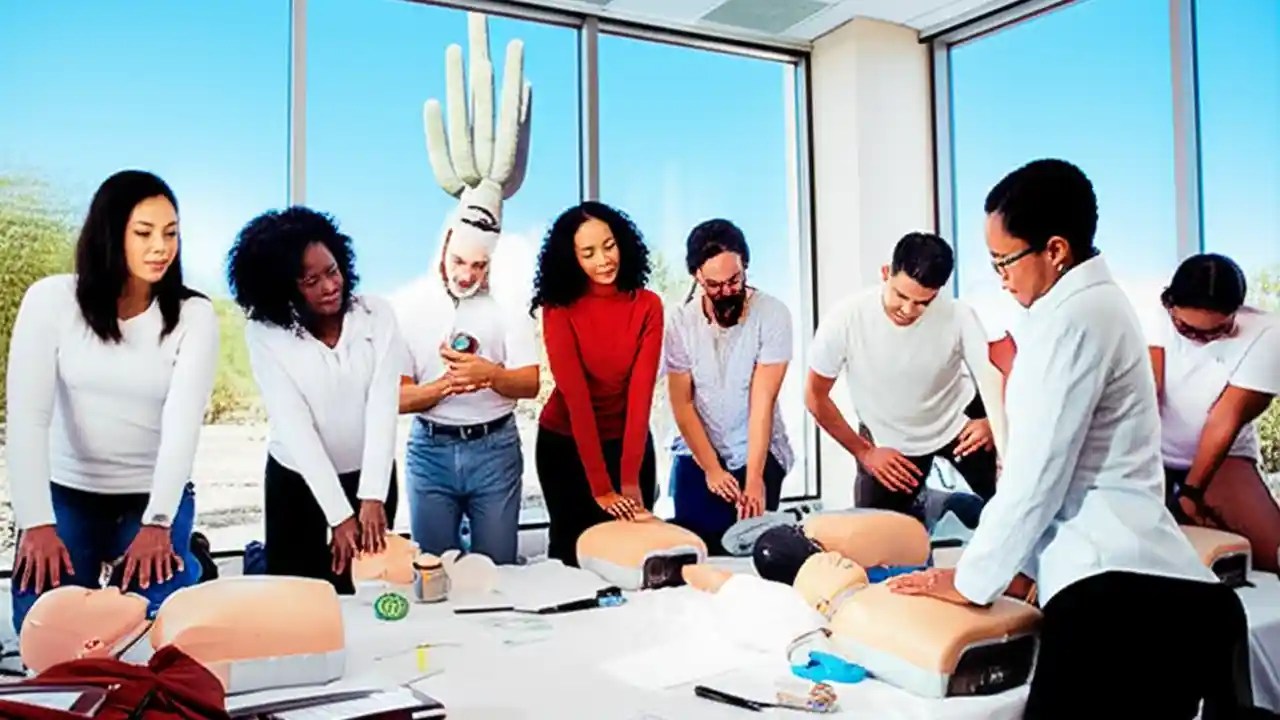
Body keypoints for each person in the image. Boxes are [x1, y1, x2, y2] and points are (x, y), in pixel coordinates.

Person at [888, 159, 1251, 719]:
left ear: (1055, 250)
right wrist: (1018, 573)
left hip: (1118, 598)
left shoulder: (1075, 320)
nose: (1001, 278)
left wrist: (970, 580)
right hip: (1162, 587)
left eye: (1003, 261)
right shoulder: (1098, 310)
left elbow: (1036, 477)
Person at [6, 170, 218, 633]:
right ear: (109, 233)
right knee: (44, 628)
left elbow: (183, 425)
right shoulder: (50, 301)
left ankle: (190, 558)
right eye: (143, 233)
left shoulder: (194, 316)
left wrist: (159, 523)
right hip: (68, 492)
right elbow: (26, 419)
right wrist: (37, 524)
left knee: (151, 620)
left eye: (170, 233)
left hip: (151, 495)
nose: (160, 247)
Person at [227, 206, 404, 594]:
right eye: (310, 280)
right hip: (297, 480)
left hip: (369, 479)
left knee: (366, 591)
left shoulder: (377, 315)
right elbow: (295, 427)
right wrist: (339, 516)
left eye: (332, 270)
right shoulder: (265, 334)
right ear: (284, 287)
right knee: (298, 600)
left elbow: (382, 407)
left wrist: (372, 496)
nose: (329, 286)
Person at [804, 232, 1005, 522]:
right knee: (877, 539)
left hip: (959, 422)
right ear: (886, 273)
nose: (909, 310)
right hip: (890, 438)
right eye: (901, 295)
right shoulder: (845, 319)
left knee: (1015, 500)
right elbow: (814, 396)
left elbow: (994, 377)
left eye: (923, 302)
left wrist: (990, 424)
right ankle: (931, 503)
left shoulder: (959, 315)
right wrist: (866, 453)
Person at [396, 200, 539, 564]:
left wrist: (488, 375)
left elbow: (530, 383)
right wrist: (448, 384)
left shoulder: (508, 306)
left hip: (496, 450)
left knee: (498, 569)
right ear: (443, 248)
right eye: (459, 261)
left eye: (479, 265)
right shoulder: (410, 307)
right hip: (430, 453)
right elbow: (398, 398)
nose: (466, 275)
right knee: (433, 568)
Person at [531, 201, 664, 566]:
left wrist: (630, 479)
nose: (604, 260)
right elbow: (576, 399)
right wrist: (602, 488)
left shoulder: (648, 305)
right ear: (571, 258)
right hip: (566, 445)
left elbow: (640, 398)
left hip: (628, 443)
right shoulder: (558, 307)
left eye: (609, 246)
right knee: (573, 555)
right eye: (588, 252)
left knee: (633, 554)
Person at [665, 219, 793, 554]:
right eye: (714, 284)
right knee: (699, 546)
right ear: (697, 276)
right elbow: (682, 404)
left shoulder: (773, 314)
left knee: (747, 542)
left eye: (734, 280)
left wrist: (754, 479)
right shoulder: (680, 323)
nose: (725, 292)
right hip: (700, 449)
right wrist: (711, 469)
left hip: (755, 448)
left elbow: (762, 403)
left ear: (746, 267)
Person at [1146, 253, 1280, 572]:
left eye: (1216, 332)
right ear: (1169, 305)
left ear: (1238, 312)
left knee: (1275, 553)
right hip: (1153, 453)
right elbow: (1146, 397)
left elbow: (1226, 418)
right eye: (1187, 330)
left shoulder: (1269, 334)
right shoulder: (1153, 315)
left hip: (1224, 456)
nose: (1201, 341)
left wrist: (1191, 492)